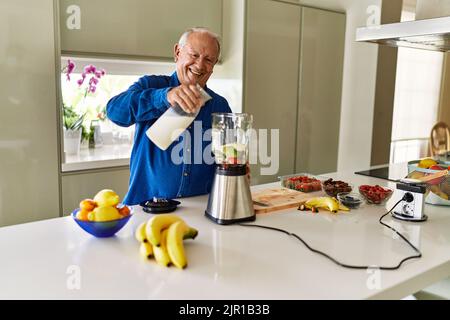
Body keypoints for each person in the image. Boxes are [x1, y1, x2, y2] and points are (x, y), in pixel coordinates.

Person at [106, 27, 232, 205]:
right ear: (178, 52)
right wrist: (164, 97)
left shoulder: (220, 106)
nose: (200, 65)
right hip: (145, 208)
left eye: (209, 59)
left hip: (201, 209)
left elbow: (227, 159)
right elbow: (114, 111)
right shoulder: (150, 84)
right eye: (194, 55)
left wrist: (236, 168)